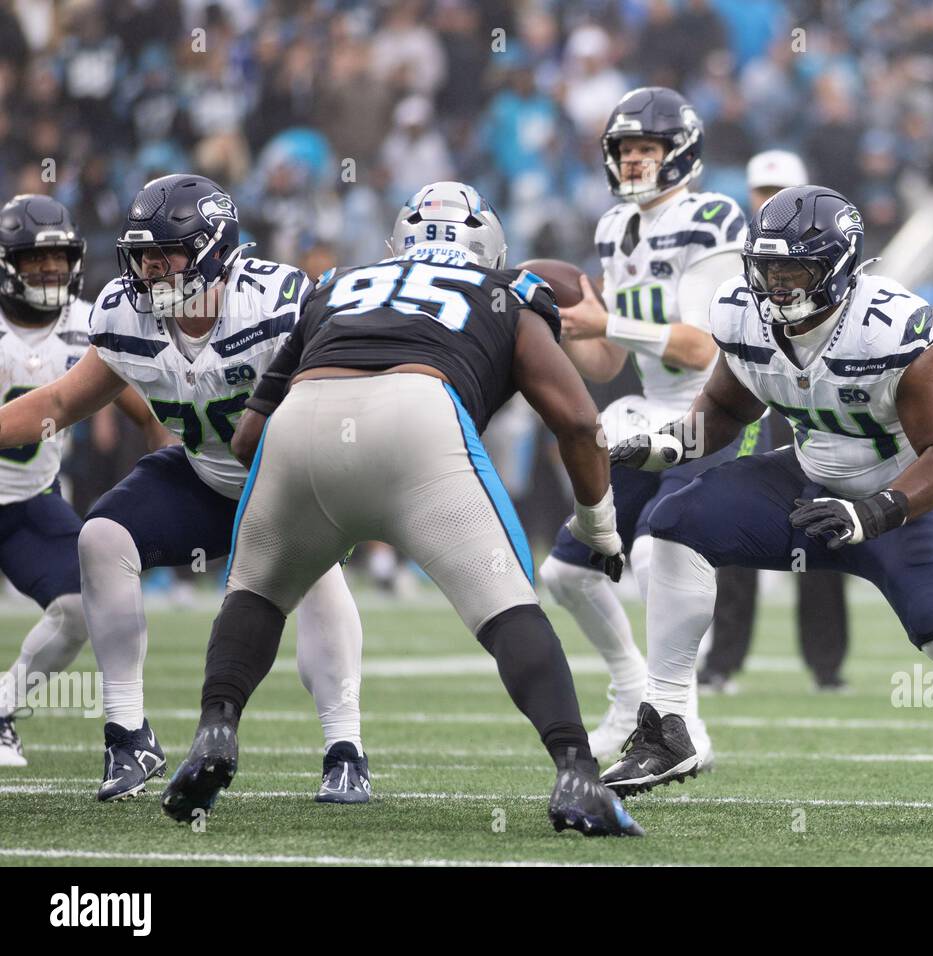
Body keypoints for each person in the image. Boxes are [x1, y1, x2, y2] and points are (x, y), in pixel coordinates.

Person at [599, 186, 933, 818]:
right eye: (767, 268)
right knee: (675, 519)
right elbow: (725, 410)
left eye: (794, 270)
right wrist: (664, 447)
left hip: (903, 492)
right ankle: (668, 725)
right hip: (809, 475)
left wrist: (875, 513)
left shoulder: (889, 327)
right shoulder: (741, 312)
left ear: (839, 268)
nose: (776, 284)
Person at [160, 182, 642, 837]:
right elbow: (580, 424)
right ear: (492, 251)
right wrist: (600, 530)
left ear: (398, 246)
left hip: (301, 423)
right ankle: (577, 771)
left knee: (255, 595)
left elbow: (247, 438)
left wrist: (318, 517)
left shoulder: (336, 284)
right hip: (419, 421)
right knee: (508, 609)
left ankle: (216, 728)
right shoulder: (508, 291)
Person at [0, 175, 368, 803]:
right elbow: (62, 401)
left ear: (213, 249)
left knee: (316, 578)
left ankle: (345, 749)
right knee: (101, 537)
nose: (149, 268)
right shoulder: (125, 310)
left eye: (164, 253)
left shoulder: (274, 301)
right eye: (142, 254)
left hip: (288, 479)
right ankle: (128, 735)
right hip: (203, 473)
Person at [537, 86, 748, 762]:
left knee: (662, 550)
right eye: (624, 150)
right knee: (568, 572)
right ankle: (632, 694)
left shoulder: (712, 218)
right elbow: (604, 363)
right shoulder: (614, 229)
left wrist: (607, 321)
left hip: (711, 411)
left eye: (645, 149)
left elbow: (701, 348)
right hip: (649, 411)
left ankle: (678, 718)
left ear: (678, 153)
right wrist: (562, 326)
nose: (632, 161)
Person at [0, 194, 169, 767]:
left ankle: (1, 711)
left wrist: (164, 447)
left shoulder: (87, 319)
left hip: (29, 502)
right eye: (33, 258)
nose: (49, 269)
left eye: (58, 257)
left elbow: (133, 399)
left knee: (77, 609)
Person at [701, 150, 851, 694]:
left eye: (779, 190)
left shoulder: (824, 253)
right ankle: (723, 662)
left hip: (810, 400)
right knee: (735, 526)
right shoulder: (733, 253)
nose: (767, 201)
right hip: (752, 398)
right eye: (761, 191)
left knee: (823, 527)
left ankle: (827, 664)